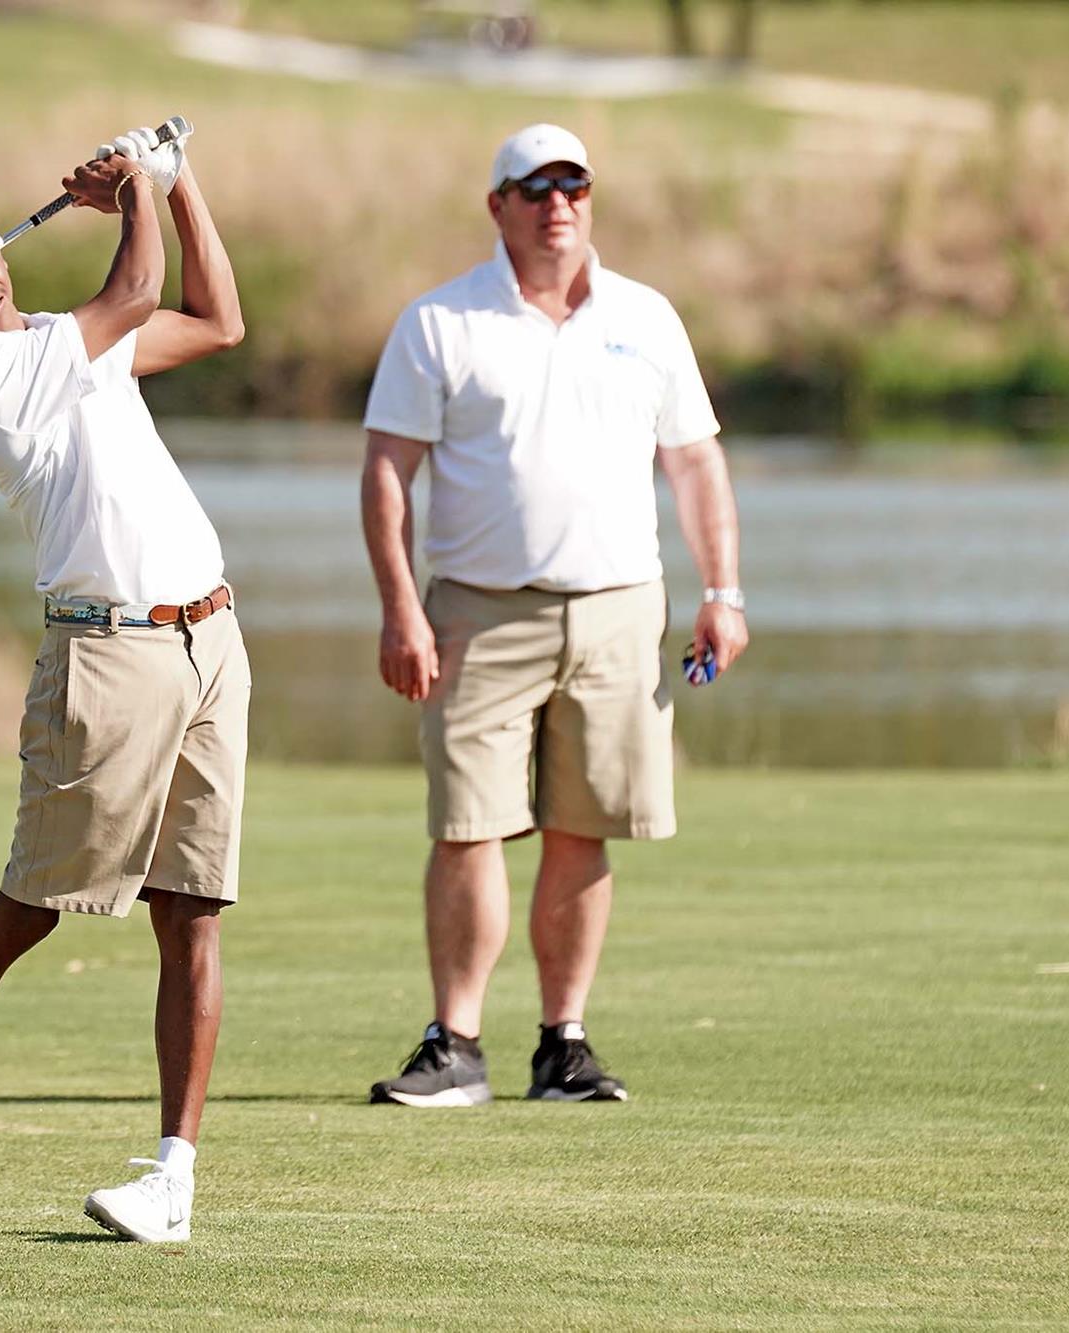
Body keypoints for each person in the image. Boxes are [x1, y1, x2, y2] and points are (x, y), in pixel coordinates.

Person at [0, 124, 248, 1243]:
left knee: (193, 912)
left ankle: (171, 1179)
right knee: (31, 907)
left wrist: (178, 180)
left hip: (209, 638)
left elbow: (217, 321)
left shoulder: (67, 339)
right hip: (105, 656)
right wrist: (133, 194)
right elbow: (138, 289)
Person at [358, 124, 748, 1107]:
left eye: (572, 185)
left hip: (620, 609)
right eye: (533, 188)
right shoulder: (440, 321)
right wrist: (400, 607)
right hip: (476, 612)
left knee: (584, 827)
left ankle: (562, 1046)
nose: (556, 204)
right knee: (468, 826)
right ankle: (454, 1043)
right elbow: (387, 470)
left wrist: (722, 592)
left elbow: (694, 461)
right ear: (497, 205)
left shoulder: (645, 316)